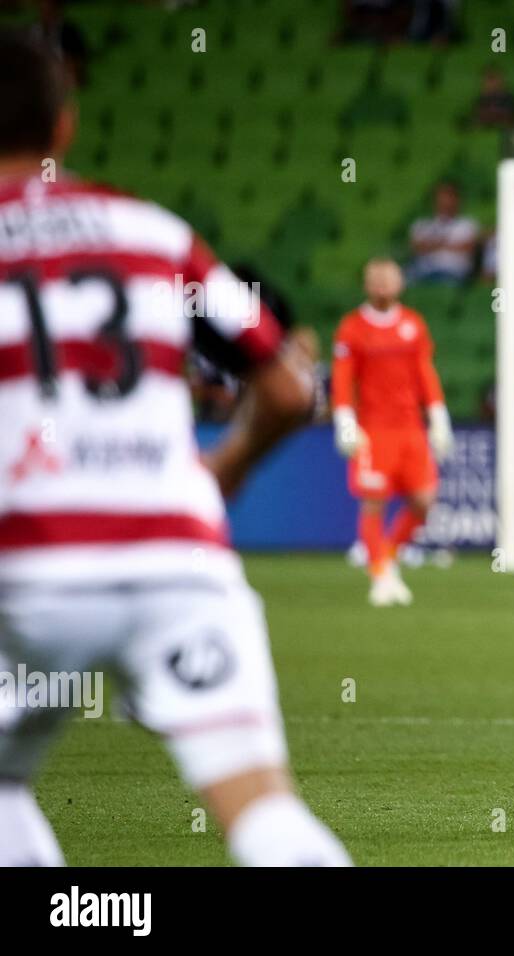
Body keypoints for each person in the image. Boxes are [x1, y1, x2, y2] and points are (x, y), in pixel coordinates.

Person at [0, 29, 349, 865]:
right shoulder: (153, 233)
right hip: (175, 558)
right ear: (64, 129)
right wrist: (217, 474)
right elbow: (292, 389)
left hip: (27, 573)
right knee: (263, 809)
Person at [332, 257, 453, 606]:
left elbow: (424, 374)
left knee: (424, 501)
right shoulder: (352, 328)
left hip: (410, 429)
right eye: (376, 278)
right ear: (367, 285)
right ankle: (380, 575)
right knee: (374, 503)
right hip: (373, 430)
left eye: (389, 278)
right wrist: (344, 420)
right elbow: (342, 378)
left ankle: (385, 556)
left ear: (400, 283)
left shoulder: (412, 325)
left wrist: (438, 418)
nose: (383, 284)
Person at [406, 182, 480, 285]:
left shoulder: (467, 224)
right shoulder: (422, 224)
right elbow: (416, 247)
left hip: (453, 272)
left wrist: (433, 245)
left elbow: (468, 247)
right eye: (441, 197)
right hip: (422, 271)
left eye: (449, 197)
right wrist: (448, 245)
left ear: (457, 200)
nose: (445, 202)